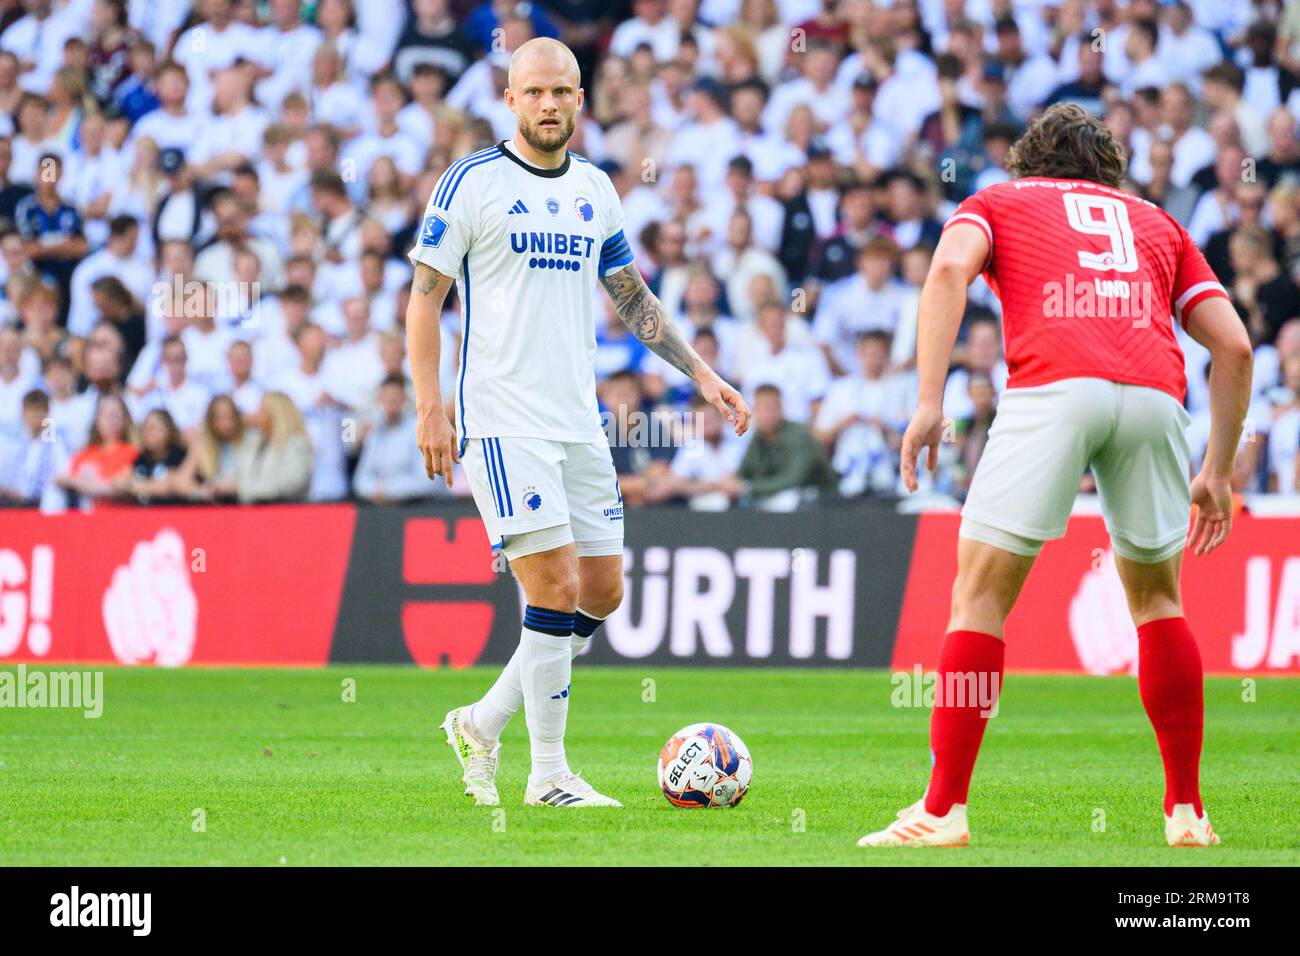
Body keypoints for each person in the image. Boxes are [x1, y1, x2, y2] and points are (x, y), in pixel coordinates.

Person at [859, 104, 1252, 849]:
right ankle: (1187, 811)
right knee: (1159, 600)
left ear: (1028, 161)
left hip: (1054, 389)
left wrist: (927, 402)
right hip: (1153, 397)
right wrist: (1218, 470)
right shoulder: (1158, 222)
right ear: (1109, 168)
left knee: (978, 595)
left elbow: (947, 268)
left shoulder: (1000, 201)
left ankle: (943, 811)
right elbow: (1232, 347)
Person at [406, 38, 749, 809]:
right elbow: (423, 298)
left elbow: (632, 298)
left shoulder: (595, 188)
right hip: (501, 420)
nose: (550, 104)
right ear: (510, 99)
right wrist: (432, 403)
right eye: (534, 93)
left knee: (602, 590)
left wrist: (703, 374)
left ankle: (483, 720)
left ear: (581, 99)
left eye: (563, 92)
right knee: (554, 585)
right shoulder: (472, 183)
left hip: (578, 423)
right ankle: (548, 774)